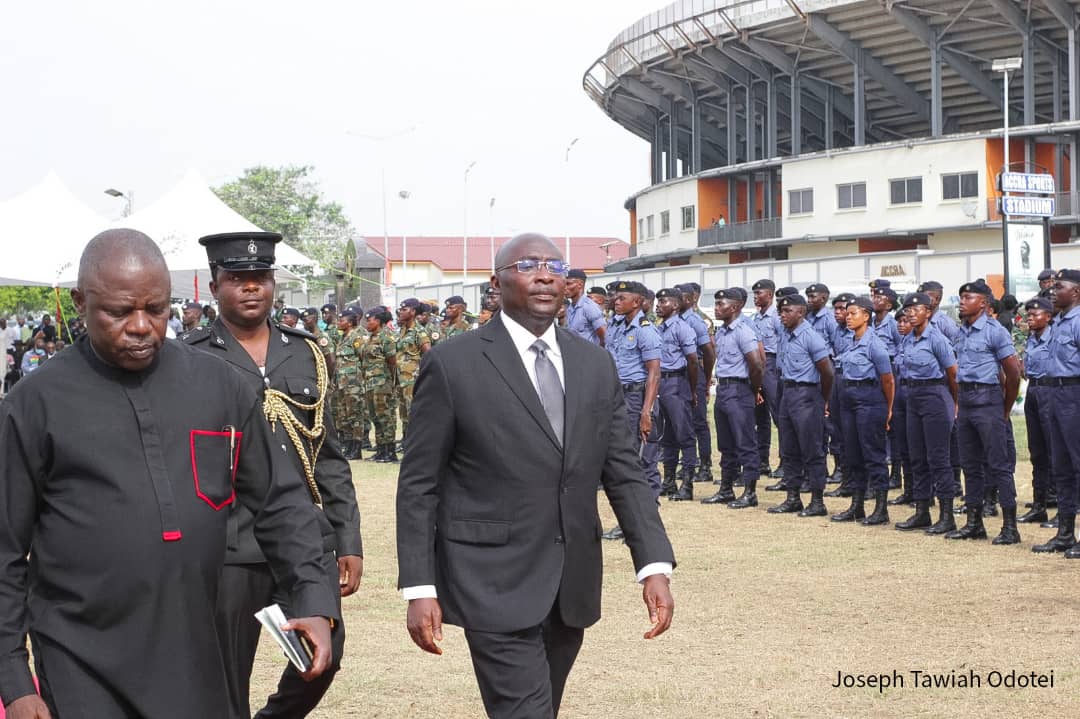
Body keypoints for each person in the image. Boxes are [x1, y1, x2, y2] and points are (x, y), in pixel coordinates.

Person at [0, 229, 335, 719]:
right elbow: (5, 551)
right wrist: (14, 679)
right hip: (80, 657)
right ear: (80, 302)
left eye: (155, 309)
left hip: (195, 647)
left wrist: (310, 595)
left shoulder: (219, 385)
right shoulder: (33, 405)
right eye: (119, 311)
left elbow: (281, 500)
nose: (141, 326)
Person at [396, 232, 675, 719]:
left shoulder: (594, 363)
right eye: (527, 265)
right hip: (491, 580)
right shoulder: (453, 363)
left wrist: (653, 565)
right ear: (496, 282)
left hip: (571, 584)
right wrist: (420, 587)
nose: (545, 274)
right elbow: (420, 483)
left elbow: (625, 473)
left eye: (554, 264)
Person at [183, 231, 363, 719]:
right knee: (224, 673)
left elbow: (327, 452)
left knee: (324, 657)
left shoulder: (307, 353)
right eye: (236, 278)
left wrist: (347, 537)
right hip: (229, 542)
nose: (250, 288)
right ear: (215, 285)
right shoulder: (188, 357)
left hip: (302, 535)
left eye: (259, 277)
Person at [948, 280, 1021, 543]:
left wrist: (1003, 408)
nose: (961, 302)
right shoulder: (962, 332)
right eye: (961, 297)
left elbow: (1013, 373)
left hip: (988, 400)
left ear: (983, 303)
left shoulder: (995, 331)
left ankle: (1010, 527)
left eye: (967, 297)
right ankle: (974, 522)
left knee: (999, 465)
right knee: (970, 465)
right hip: (966, 401)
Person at [830, 297, 895, 525]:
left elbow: (887, 380)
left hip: (869, 399)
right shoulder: (849, 341)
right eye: (847, 314)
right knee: (852, 453)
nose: (848, 317)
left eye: (853, 313)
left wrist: (888, 409)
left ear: (866, 316)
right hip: (848, 399)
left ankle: (880, 508)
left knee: (873, 455)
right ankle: (857, 506)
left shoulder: (874, 343)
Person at [602, 281, 662, 527]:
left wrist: (646, 412)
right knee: (621, 458)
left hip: (637, 398)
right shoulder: (615, 326)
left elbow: (654, 373)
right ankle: (630, 517)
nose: (616, 301)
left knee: (642, 459)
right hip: (617, 396)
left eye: (622, 297)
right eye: (616, 297)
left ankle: (645, 518)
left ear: (636, 302)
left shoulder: (645, 329)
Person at [768, 293, 834, 517]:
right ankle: (793, 497)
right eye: (781, 311)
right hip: (787, 392)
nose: (782, 315)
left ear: (801, 313)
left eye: (787, 311)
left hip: (807, 394)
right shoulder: (786, 335)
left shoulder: (811, 337)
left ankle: (817, 501)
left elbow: (827, 372)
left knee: (812, 449)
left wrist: (822, 399)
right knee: (789, 449)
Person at [1033, 269, 1080, 556]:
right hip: (1055, 395)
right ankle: (1065, 533)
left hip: (1075, 395)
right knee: (1060, 466)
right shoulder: (1058, 321)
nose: (1052, 290)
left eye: (1059, 286)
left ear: (1075, 291)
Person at [703, 288, 765, 508]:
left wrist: (754, 389)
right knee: (726, 443)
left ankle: (750, 492)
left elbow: (757, 364)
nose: (717, 308)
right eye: (716, 304)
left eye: (722, 304)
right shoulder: (722, 332)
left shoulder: (743, 331)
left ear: (736, 306)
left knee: (745, 442)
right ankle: (726, 489)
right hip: (724, 390)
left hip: (740, 390)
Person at [652, 288, 698, 500]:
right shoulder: (659, 328)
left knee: (685, 435)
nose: (658, 305)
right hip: (661, 384)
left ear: (676, 305)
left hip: (677, 383)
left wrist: (693, 389)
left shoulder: (683, 328)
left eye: (663, 301)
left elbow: (693, 361)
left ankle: (687, 484)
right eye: (658, 302)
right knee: (667, 437)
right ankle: (669, 481)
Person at [1018, 297, 1054, 524]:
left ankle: (1065, 506)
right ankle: (1039, 504)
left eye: (1035, 314)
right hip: (1034, 391)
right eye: (1028, 314)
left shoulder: (1057, 337)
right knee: (1037, 452)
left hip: (1052, 392)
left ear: (1048, 317)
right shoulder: (1032, 338)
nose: (1030, 318)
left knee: (1057, 452)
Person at [676, 284, 715, 483]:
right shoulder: (673, 320)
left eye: (681, 297)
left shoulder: (696, 321)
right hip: (679, 374)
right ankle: (688, 462)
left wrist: (705, 379)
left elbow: (708, 352)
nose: (677, 301)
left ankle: (706, 465)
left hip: (695, 372)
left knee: (699, 421)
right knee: (683, 421)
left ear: (691, 299)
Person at [750, 279, 783, 478]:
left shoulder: (776, 317)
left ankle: (785, 461)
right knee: (759, 416)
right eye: (754, 293)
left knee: (779, 416)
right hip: (759, 366)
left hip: (773, 365)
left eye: (759, 293)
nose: (755, 297)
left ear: (770, 295)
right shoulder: (756, 318)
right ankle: (762, 461)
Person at [360, 307, 399, 462]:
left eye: (370, 320)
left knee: (385, 417)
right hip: (370, 384)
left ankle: (390, 451)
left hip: (382, 384)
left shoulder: (386, 337)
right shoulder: (370, 338)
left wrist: (390, 383)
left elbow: (392, 362)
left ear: (379, 321)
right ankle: (381, 450)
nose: (367, 323)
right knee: (375, 417)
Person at [395, 298, 431, 446]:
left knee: (413, 413)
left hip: (412, 380)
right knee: (404, 414)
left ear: (413, 312)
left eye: (405, 309)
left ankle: (417, 445)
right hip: (401, 379)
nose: (401, 312)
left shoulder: (419, 331)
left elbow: (429, 355)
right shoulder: (403, 330)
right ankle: (406, 443)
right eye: (401, 309)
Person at [332, 306, 366, 460]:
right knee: (343, 415)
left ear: (350, 323)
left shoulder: (356, 338)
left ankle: (356, 447)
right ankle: (348, 445)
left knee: (355, 415)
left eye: (342, 320)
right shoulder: (342, 337)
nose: (339, 322)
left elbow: (363, 358)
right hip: (341, 383)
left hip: (353, 384)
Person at [564, 270, 606, 346]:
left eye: (568, 284)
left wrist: (597, 355)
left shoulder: (589, 307)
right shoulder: (570, 308)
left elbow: (604, 336)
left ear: (580, 285)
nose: (565, 288)